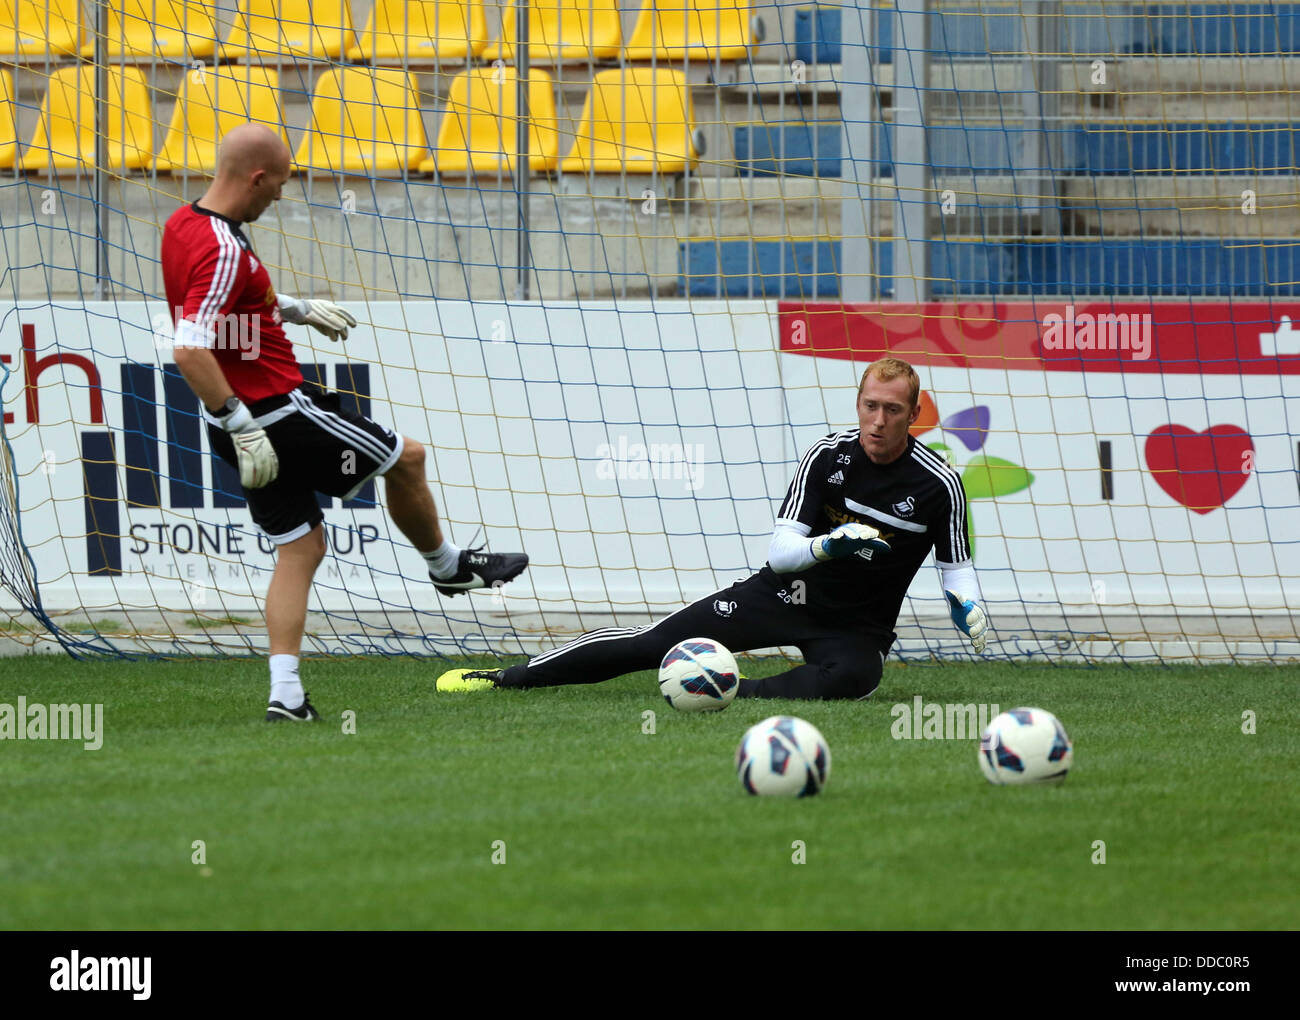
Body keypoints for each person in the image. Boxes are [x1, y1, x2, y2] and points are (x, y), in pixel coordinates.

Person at [162, 122, 528, 722]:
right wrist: (242, 421)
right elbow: (189, 346)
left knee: (301, 548)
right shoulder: (225, 247)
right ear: (256, 177)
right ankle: (449, 568)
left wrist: (293, 310)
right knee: (406, 457)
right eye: (277, 184)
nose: (279, 195)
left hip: (240, 420)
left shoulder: (185, 225)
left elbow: (218, 299)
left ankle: (286, 694)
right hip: (278, 411)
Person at [437, 356, 987, 699]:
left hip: (857, 628)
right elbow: (781, 554)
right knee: (650, 643)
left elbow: (954, 568)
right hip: (784, 594)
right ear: (858, 403)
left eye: (893, 410)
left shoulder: (940, 485)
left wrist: (967, 605)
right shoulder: (827, 457)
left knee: (855, 680)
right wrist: (830, 544)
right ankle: (506, 678)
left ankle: (728, 690)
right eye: (870, 405)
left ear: (913, 415)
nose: (878, 420)